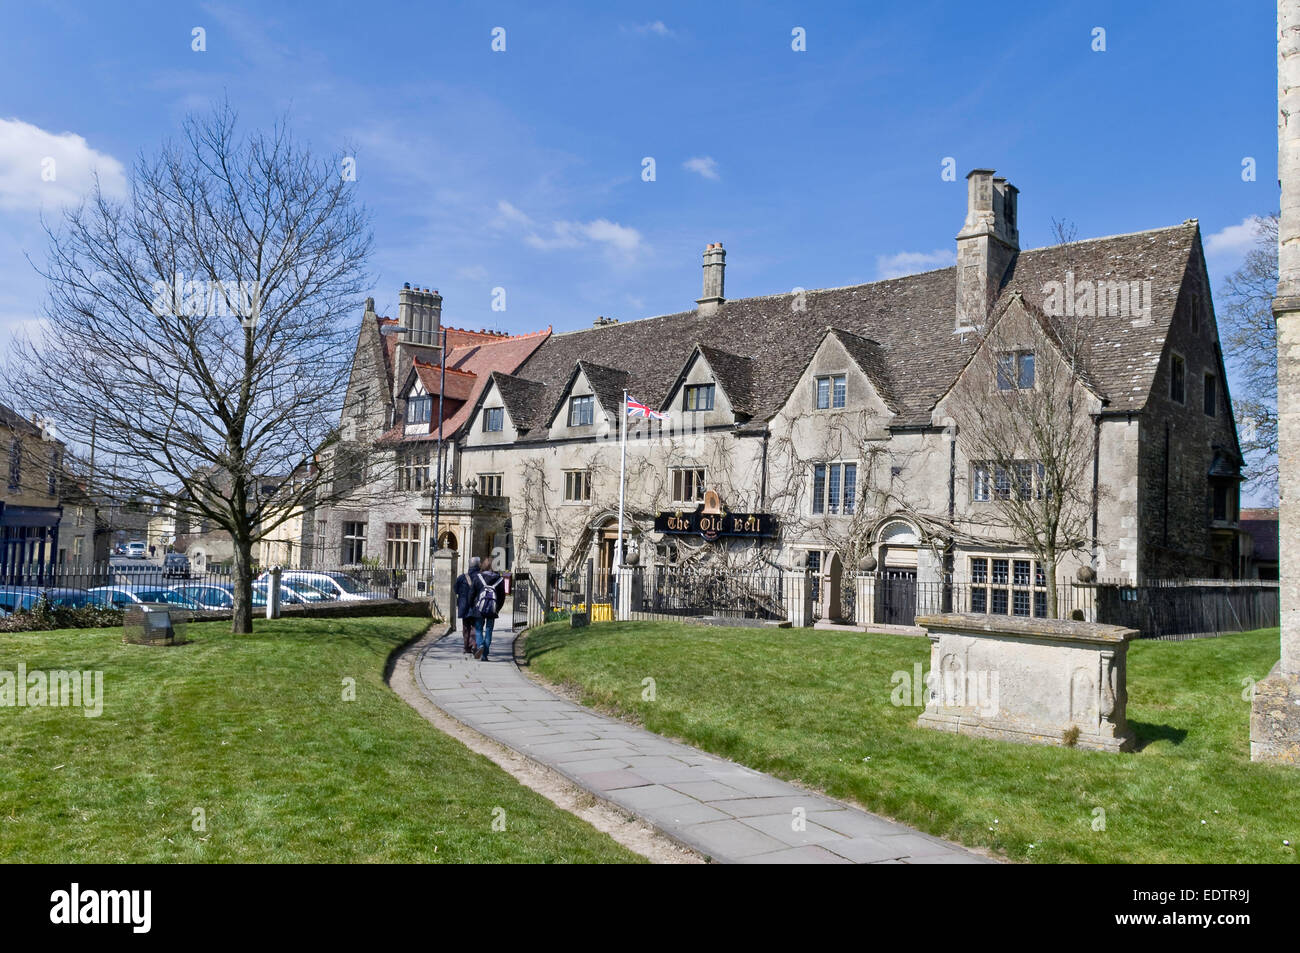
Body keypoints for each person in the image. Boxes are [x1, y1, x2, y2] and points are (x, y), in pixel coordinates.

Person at [470, 555, 505, 661]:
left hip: (479, 609)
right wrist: (497, 608)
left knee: (479, 629)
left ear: (484, 565)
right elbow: (502, 597)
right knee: (489, 630)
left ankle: (480, 645)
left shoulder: (478, 577)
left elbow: (471, 594)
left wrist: (472, 606)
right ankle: (484, 655)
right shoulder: (499, 579)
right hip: (492, 609)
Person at [455, 557, 479, 655]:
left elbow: (455, 590)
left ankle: (466, 647)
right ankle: (474, 644)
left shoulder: (461, 577)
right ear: (478, 565)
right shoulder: (480, 577)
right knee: (474, 626)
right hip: (475, 605)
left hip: (464, 606)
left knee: (465, 627)